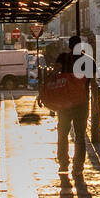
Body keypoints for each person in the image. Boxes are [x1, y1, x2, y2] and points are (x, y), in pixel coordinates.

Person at [39, 34, 90, 179]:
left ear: (69, 46)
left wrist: (43, 93)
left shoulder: (63, 58)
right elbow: (91, 84)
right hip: (81, 102)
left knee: (62, 133)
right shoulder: (88, 61)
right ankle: (78, 167)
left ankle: (63, 163)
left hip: (65, 103)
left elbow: (53, 76)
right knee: (80, 136)